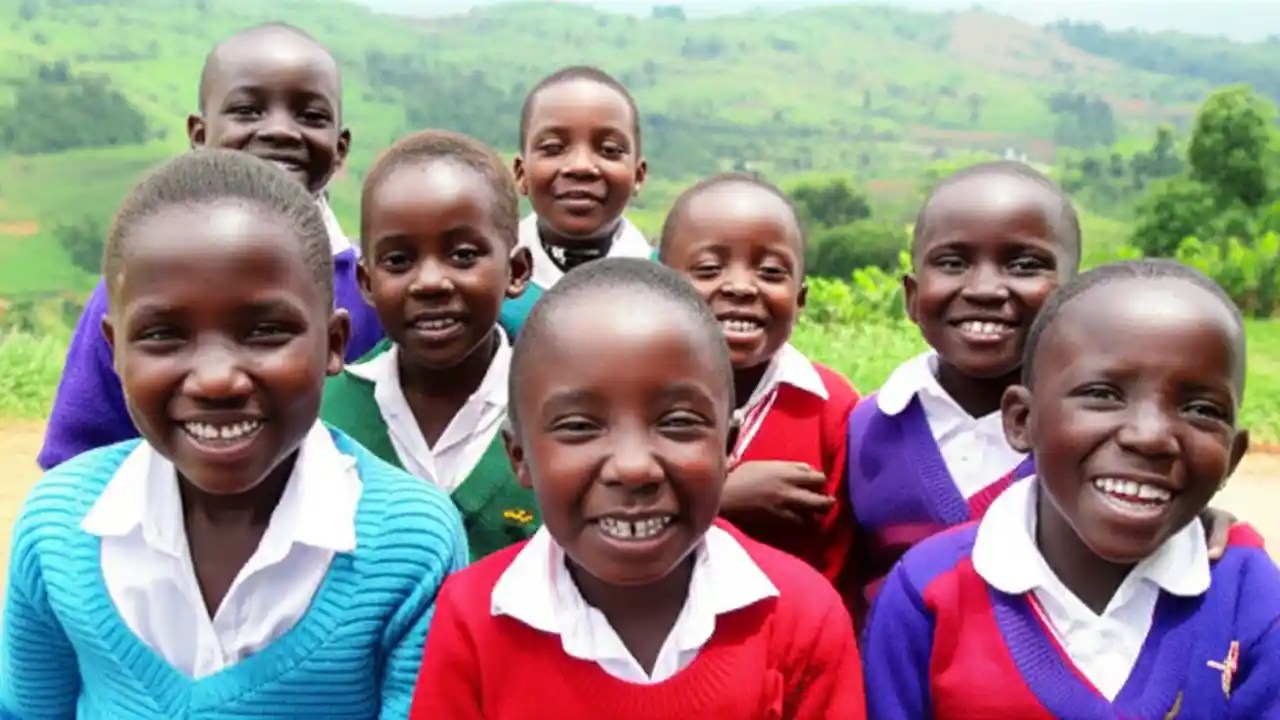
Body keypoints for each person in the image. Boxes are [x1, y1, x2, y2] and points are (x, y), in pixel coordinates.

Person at [1, 151, 466, 718]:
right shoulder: (57, 530)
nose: (217, 379)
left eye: (266, 331)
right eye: (164, 335)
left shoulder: (412, 545)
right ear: (114, 350)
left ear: (334, 343)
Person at [409, 259, 865, 719]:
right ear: (519, 456)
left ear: (728, 446)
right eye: (580, 426)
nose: (633, 468)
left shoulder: (798, 616)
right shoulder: (475, 617)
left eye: (678, 423)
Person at [862, 259, 1280, 718]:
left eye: (1201, 409)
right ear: (1022, 421)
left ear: (1232, 457)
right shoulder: (928, 592)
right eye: (1102, 394)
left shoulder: (1251, 596)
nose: (1150, 436)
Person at [37, 22, 383, 470]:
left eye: (311, 116)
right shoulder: (138, 281)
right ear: (199, 134)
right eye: (247, 111)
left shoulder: (369, 288)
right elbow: (77, 456)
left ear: (340, 149)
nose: (280, 130)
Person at [322, 130, 538, 560]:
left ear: (515, 271)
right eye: (399, 261)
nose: (431, 283)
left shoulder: (555, 415)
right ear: (367, 282)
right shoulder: (323, 418)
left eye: (462, 256)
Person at [659, 173, 861, 614]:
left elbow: (838, 561)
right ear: (662, 285)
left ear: (801, 297)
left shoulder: (829, 406)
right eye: (709, 269)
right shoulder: (628, 394)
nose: (741, 287)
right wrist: (719, 499)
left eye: (771, 272)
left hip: (787, 643)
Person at [499, 65, 656, 332]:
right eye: (553, 148)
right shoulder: (492, 290)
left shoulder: (666, 285)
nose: (581, 166)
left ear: (638, 176)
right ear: (521, 174)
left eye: (609, 150)